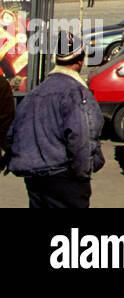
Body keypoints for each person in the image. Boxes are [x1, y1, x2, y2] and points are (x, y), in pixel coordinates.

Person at [5, 32, 105, 207]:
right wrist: (83, 173)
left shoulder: (35, 93)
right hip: (64, 179)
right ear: (80, 60)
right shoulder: (76, 92)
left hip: (35, 180)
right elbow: (82, 138)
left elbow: (13, 134)